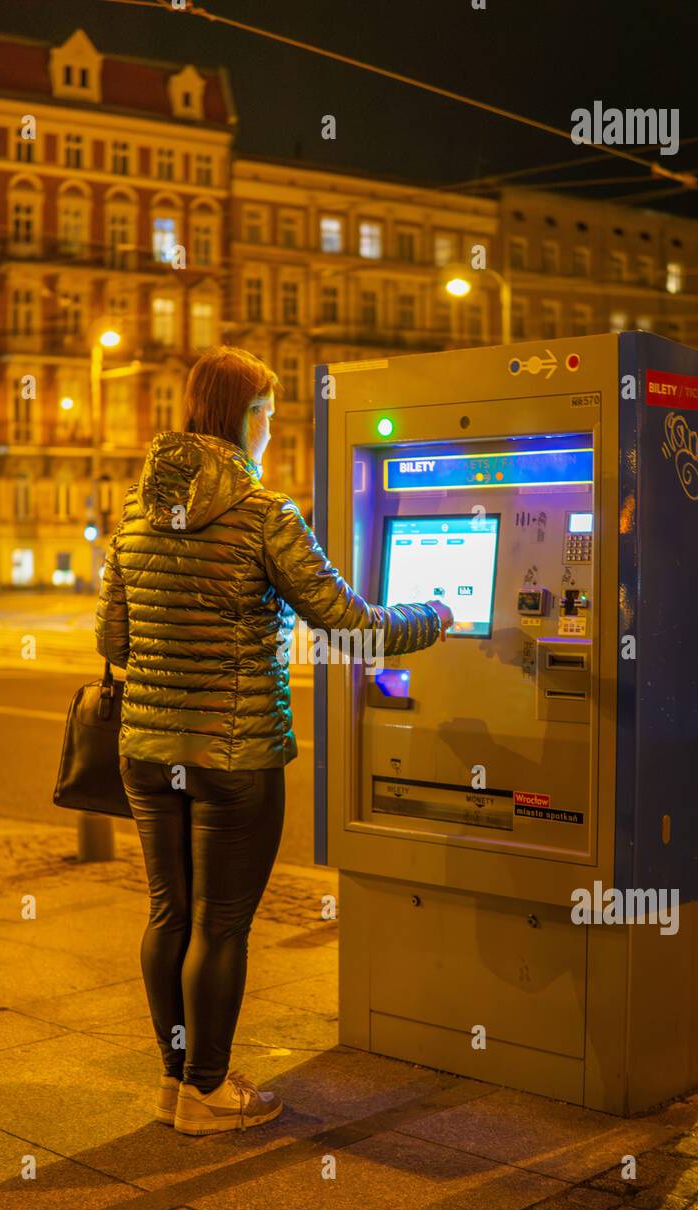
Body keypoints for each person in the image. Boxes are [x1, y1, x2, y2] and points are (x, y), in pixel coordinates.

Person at [95, 345, 453, 1137]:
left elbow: (113, 635)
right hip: (234, 755)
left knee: (169, 915)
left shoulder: (134, 507)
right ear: (250, 418)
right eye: (269, 414)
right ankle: (210, 1090)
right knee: (221, 925)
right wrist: (436, 615)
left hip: (148, 753)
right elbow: (350, 624)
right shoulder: (265, 514)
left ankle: (175, 1081)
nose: (271, 429)